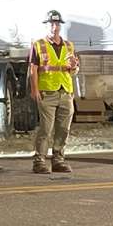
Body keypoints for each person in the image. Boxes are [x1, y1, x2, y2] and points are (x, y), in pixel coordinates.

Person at [29, 10, 80, 174]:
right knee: (46, 128)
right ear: (47, 25)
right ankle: (39, 160)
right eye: (51, 23)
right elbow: (33, 69)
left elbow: (73, 70)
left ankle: (58, 159)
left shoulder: (69, 46)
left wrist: (74, 67)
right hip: (47, 92)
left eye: (57, 24)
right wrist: (35, 89)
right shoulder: (38, 45)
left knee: (63, 128)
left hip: (65, 91)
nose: (54, 27)